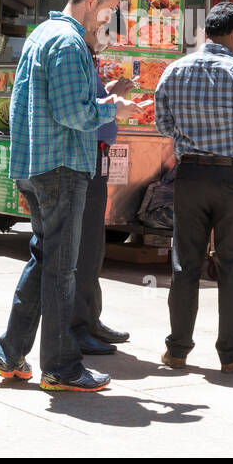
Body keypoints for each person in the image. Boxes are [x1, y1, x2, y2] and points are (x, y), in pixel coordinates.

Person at [0, 0, 142, 392]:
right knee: (61, 270)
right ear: (92, 1)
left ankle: (10, 352)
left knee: (44, 261)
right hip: (61, 166)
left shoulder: (43, 34)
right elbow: (72, 113)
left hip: (38, 164)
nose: (106, 21)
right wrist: (115, 110)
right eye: (109, 10)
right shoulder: (68, 40)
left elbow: (55, 104)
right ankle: (60, 366)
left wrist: (105, 101)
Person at [155, 1, 233, 373]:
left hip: (189, 176)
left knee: (184, 264)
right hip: (232, 178)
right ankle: (232, 352)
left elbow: (163, 125)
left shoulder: (174, 70)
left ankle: (177, 350)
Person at [72, 50, 135, 355]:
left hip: (97, 157)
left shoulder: (87, 60)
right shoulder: (75, 55)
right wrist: (114, 104)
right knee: (85, 248)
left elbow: (91, 101)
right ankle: (79, 327)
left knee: (94, 247)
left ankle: (90, 319)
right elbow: (81, 110)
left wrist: (111, 93)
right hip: (87, 157)